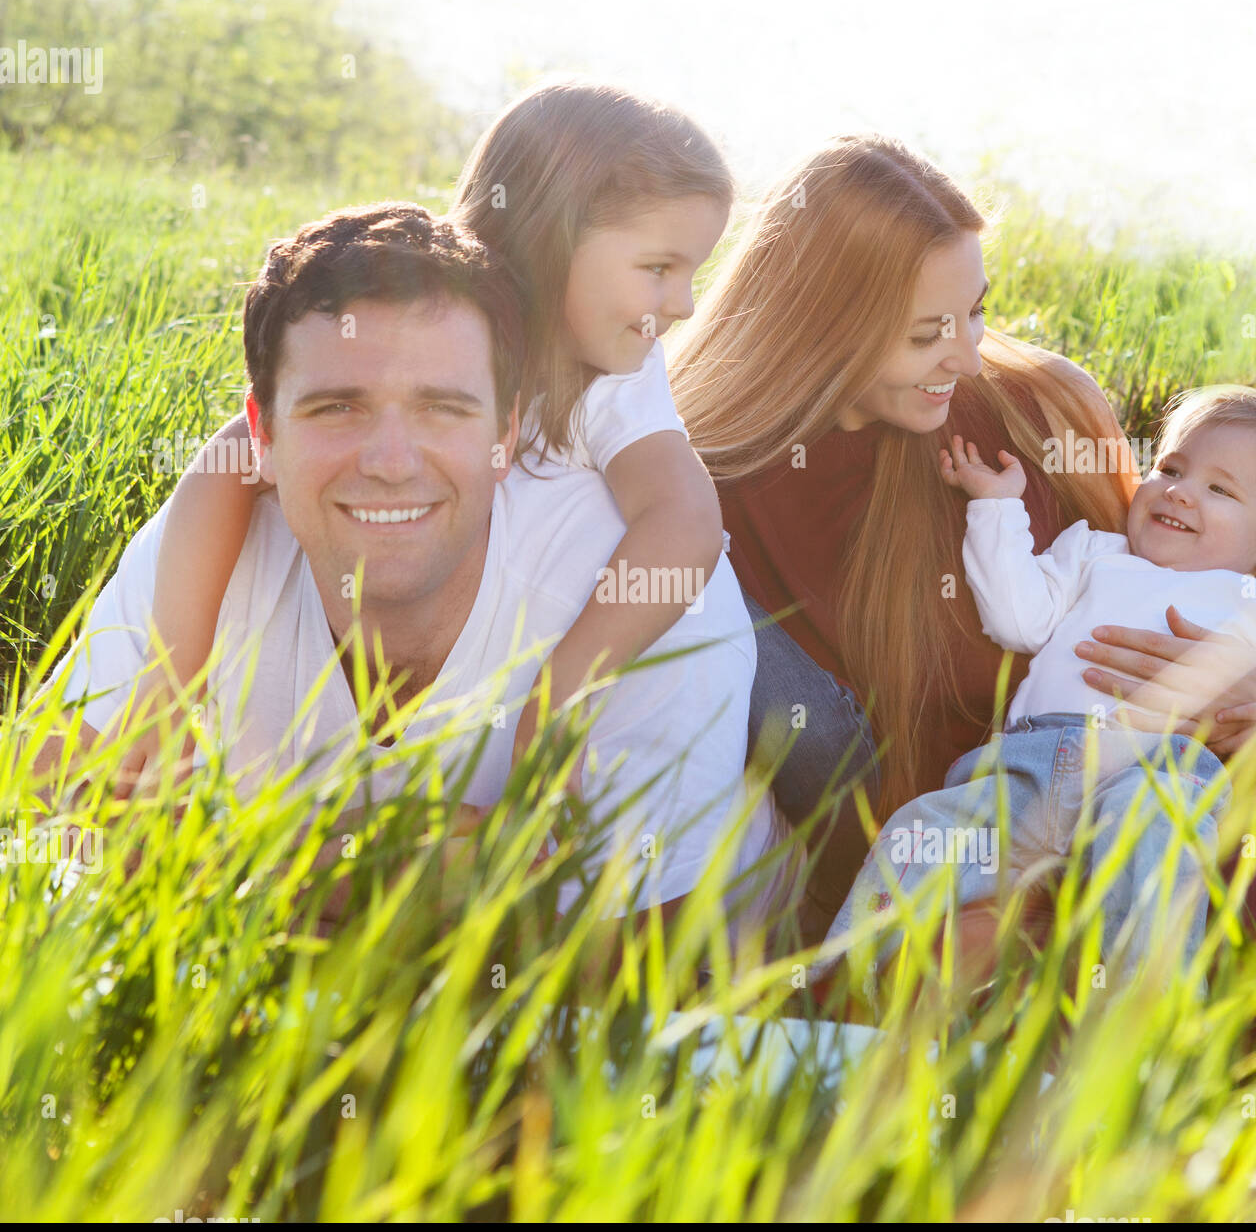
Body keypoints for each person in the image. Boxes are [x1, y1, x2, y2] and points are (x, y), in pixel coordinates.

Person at [35, 202, 781, 922]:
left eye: (442, 408)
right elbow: (46, 813)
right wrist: (339, 867)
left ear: (507, 430)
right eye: (337, 407)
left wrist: (247, 869)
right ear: (260, 434)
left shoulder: (653, 597)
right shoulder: (202, 557)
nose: (391, 462)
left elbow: (640, 965)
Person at [670, 135, 1256, 961]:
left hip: (1147, 808)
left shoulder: (1037, 409)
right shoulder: (701, 479)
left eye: (977, 311)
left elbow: (1216, 561)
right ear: (826, 323)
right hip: (950, 832)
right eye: (929, 333)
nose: (968, 357)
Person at [140, 80, 730, 788]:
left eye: (690, 271)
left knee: (806, 730)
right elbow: (235, 456)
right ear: (555, 233)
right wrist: (172, 675)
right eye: (659, 268)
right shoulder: (442, 317)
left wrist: (560, 693)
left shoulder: (620, 381)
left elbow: (687, 523)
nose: (686, 303)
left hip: (719, 625)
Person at [822, 385, 1256, 982]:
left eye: (1219, 489)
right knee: (920, 833)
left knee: (1160, 837)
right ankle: (840, 990)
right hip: (1029, 765)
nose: (1178, 490)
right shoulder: (1097, 552)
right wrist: (996, 508)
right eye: (1168, 468)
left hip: (1157, 771)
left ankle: (1139, 1018)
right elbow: (1017, 618)